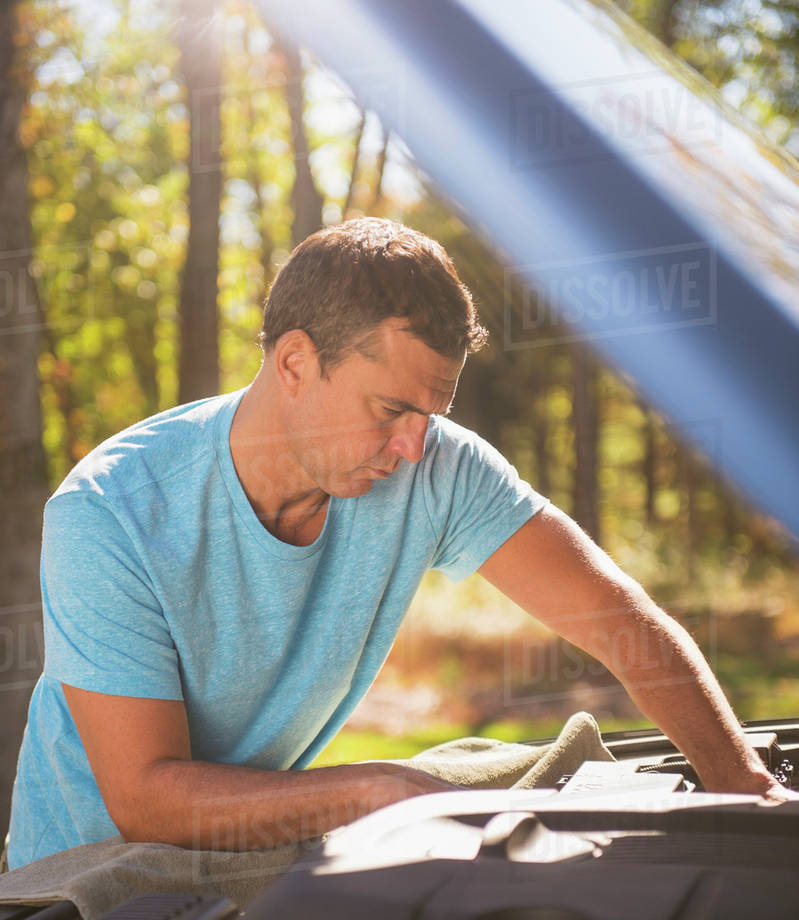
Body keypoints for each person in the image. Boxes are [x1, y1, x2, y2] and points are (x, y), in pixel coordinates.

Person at [6, 218, 791, 870]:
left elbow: (614, 617)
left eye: (432, 414)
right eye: (389, 409)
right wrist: (378, 791)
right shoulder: (111, 510)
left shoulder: (435, 465)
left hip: (247, 855)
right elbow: (144, 798)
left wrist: (742, 787)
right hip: (81, 887)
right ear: (295, 362)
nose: (414, 448)